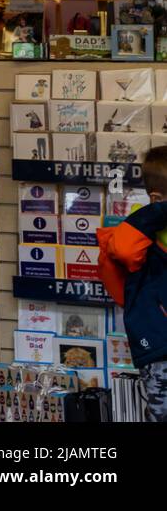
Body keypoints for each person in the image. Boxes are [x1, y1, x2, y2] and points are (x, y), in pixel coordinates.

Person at [97, 145, 167, 421]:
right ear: (157, 199)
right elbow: (123, 249)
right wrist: (159, 212)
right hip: (160, 350)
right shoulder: (142, 232)